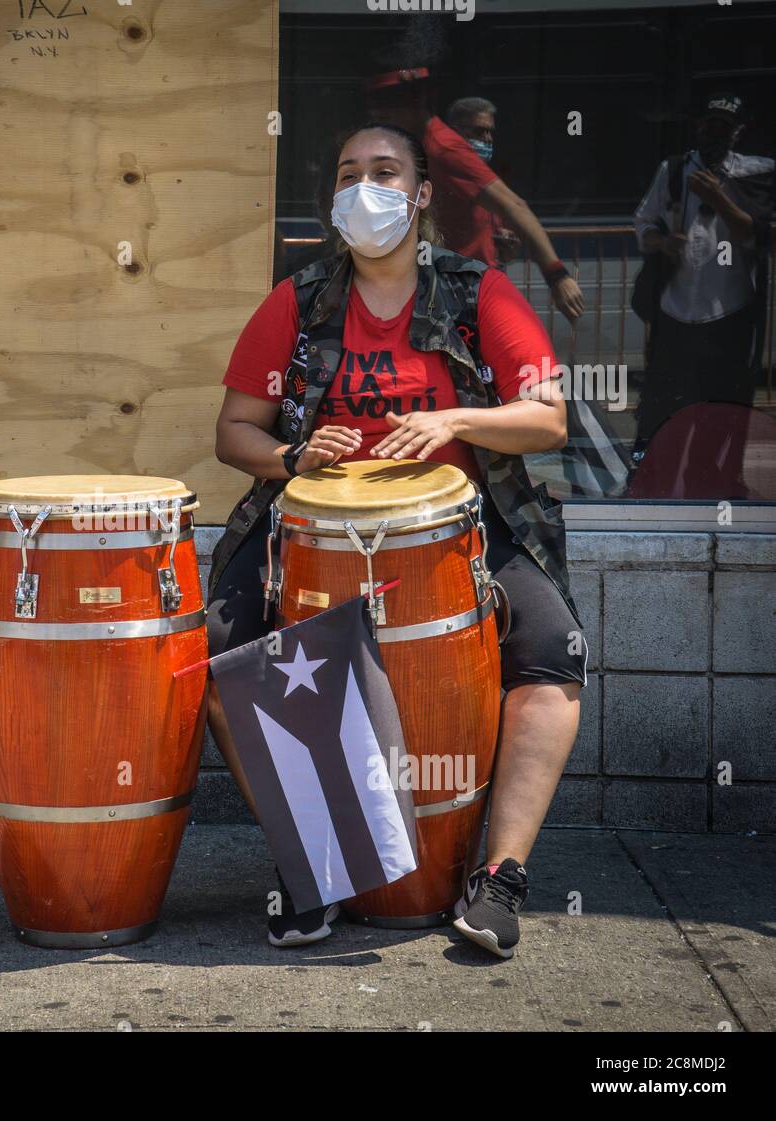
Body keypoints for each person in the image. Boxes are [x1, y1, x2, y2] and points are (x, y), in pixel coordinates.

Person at [206, 122, 588, 960]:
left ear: (421, 196)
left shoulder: (477, 292)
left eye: (386, 172)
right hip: (308, 529)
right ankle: (313, 868)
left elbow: (549, 417)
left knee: (553, 648)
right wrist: (289, 455)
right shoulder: (298, 301)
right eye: (350, 174)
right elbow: (234, 428)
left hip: (461, 523)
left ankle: (501, 878)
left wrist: (453, 417)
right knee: (221, 651)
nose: (366, 188)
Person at [631, 93, 773, 497]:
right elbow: (643, 223)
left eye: (724, 126)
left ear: (738, 132)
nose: (715, 133)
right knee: (663, 400)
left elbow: (755, 234)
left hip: (728, 310)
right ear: (698, 127)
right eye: (709, 124)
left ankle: (716, 479)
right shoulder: (674, 171)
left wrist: (718, 198)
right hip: (676, 308)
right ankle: (650, 479)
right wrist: (662, 242)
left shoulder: (755, 173)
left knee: (724, 402)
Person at [366, 68, 584, 323]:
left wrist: (556, 275)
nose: (379, 117)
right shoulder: (413, 146)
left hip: (463, 291)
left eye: (388, 108)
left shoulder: (444, 149)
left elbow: (515, 206)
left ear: (414, 105)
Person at [445, 96, 521, 266]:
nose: (488, 139)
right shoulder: (442, 177)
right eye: (479, 131)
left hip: (485, 276)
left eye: (490, 132)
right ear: (455, 132)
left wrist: (502, 239)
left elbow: (489, 230)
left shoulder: (485, 178)